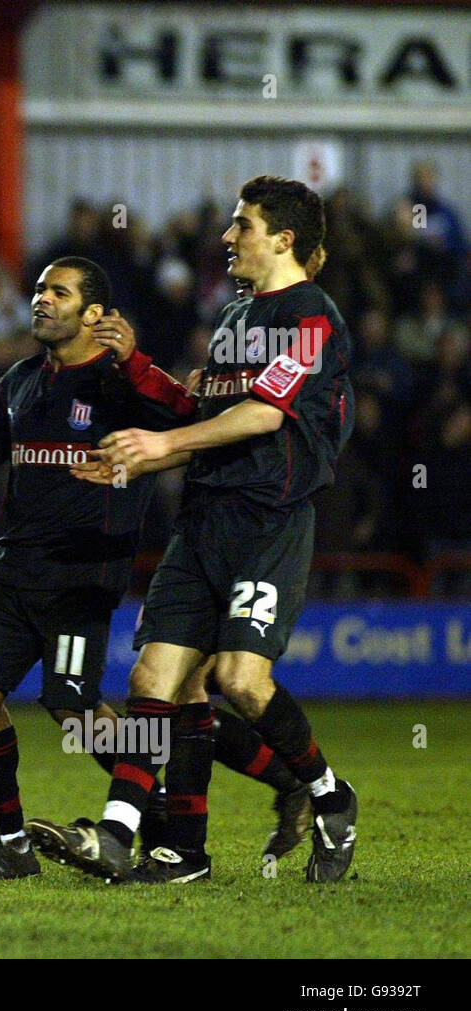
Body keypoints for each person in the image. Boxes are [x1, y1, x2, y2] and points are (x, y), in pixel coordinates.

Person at [0, 257, 306, 879]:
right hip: (12, 565)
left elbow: (199, 427)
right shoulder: (21, 383)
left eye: (60, 292)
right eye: (38, 290)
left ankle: (170, 804)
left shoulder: (129, 384)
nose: (41, 301)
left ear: (97, 314)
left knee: (75, 705)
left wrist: (139, 366)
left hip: (86, 570)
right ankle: (10, 844)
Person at [27, 176, 357, 884]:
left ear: (283, 238)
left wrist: (163, 448)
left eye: (242, 225)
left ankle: (331, 794)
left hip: (267, 519)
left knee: (241, 679)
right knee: (156, 678)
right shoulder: (235, 314)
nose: (227, 237)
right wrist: (139, 366)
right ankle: (143, 842)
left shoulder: (312, 318)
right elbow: (200, 407)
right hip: (203, 516)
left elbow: (267, 414)